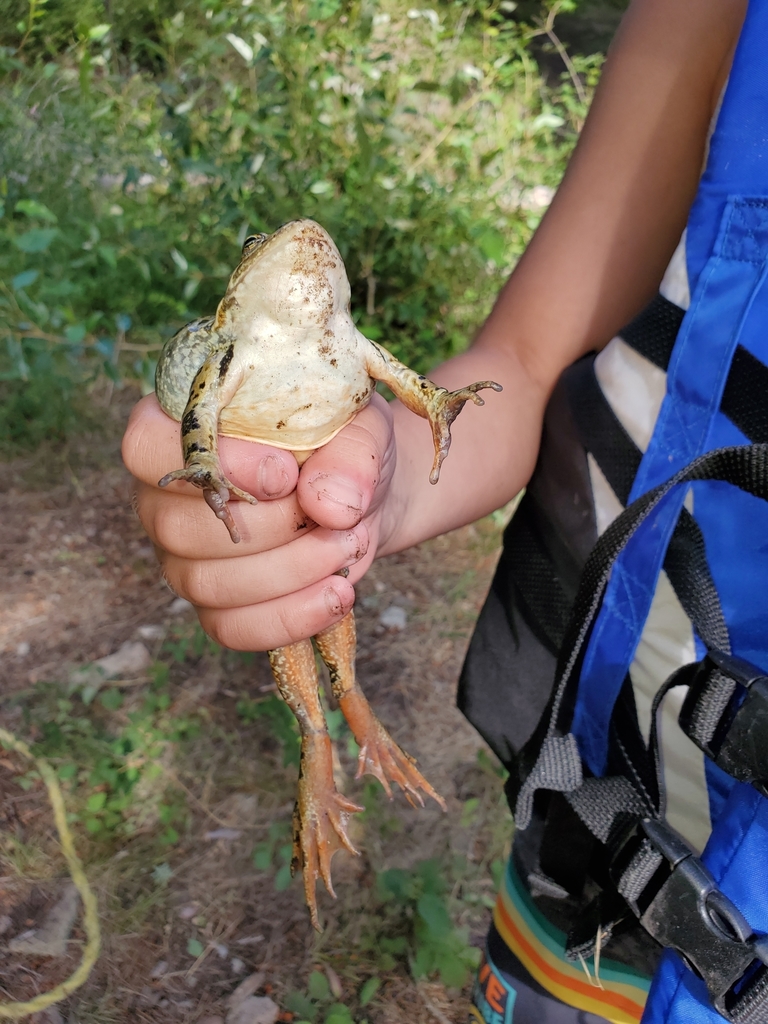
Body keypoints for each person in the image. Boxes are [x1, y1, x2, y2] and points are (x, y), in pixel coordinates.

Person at [122, 1, 753, 1020]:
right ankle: (336, 756)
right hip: (615, 827)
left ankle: (346, 750)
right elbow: (521, 357)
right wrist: (369, 478)